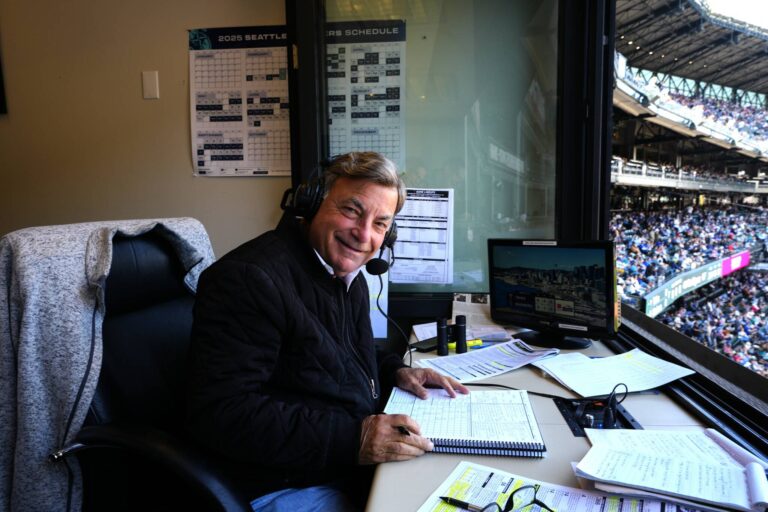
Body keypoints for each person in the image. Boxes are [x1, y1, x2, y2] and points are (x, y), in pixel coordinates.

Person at [186, 151, 468, 511]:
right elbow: (222, 413)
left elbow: (340, 353)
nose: (364, 235)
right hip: (280, 483)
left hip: (335, 463)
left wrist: (396, 370)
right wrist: (355, 438)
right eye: (351, 210)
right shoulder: (249, 278)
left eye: (380, 224)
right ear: (312, 202)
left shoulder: (346, 276)